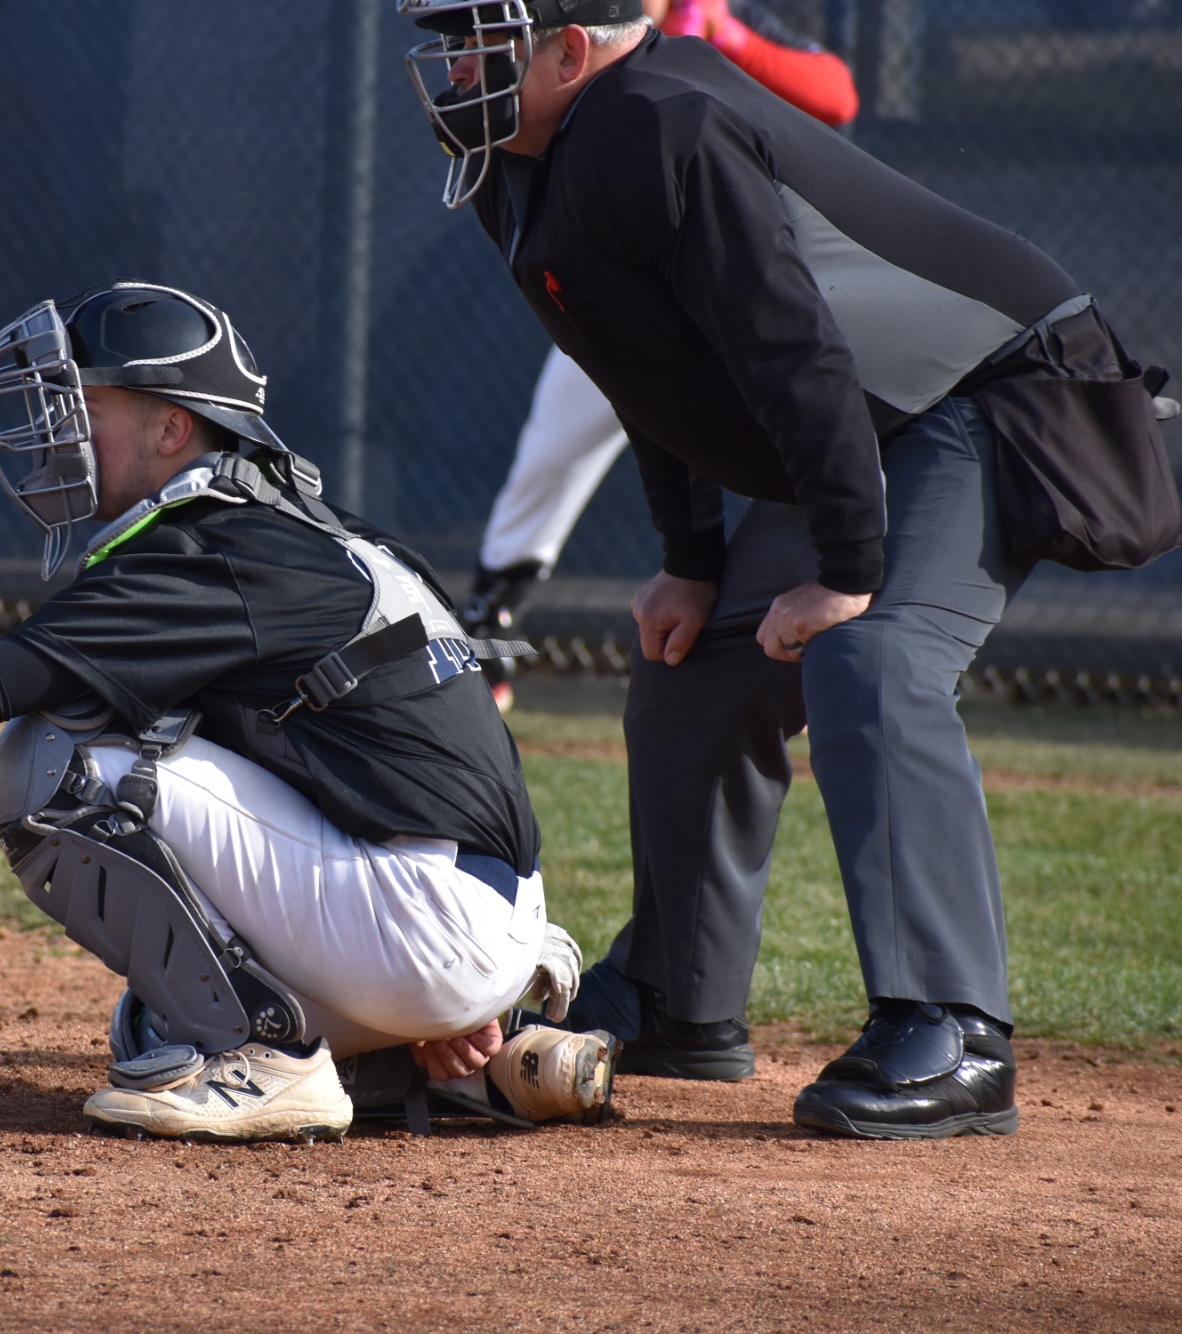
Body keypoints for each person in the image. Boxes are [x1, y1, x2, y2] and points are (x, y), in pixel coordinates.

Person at [399, 1, 1158, 1138]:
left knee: (874, 651)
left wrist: (849, 564)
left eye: (482, 39)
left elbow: (788, 343)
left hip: (994, 392)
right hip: (876, 419)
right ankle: (674, 993)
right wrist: (690, 561)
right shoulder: (523, 161)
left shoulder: (658, 123)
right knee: (689, 658)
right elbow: (643, 363)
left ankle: (953, 1028)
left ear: (569, 50)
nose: (454, 66)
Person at [0, 281, 624, 1142]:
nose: (57, 428)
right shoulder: (297, 524)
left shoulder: (206, 548)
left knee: (52, 765)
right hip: (477, 908)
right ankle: (462, 1056)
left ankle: (270, 1058)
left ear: (171, 428)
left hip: (429, 918)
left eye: (86, 404)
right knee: (146, 1026)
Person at [461, 0, 858, 701]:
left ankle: (852, 577)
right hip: (629, 290)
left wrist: (722, 35)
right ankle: (491, 621)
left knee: (810, 401)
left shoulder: (719, 16)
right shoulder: (560, 26)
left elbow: (837, 93)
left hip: (739, 281)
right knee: (551, 450)